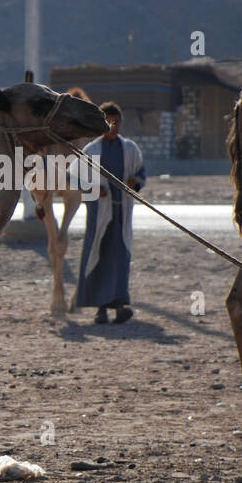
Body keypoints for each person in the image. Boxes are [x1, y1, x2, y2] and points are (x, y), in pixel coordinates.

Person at [73, 101, 146, 323]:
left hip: (122, 213)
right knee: (99, 256)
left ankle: (120, 306)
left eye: (117, 122)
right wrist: (96, 189)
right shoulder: (91, 150)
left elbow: (141, 173)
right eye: (109, 122)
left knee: (120, 257)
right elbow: (76, 177)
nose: (113, 127)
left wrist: (136, 182)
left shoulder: (130, 148)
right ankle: (100, 309)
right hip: (99, 215)